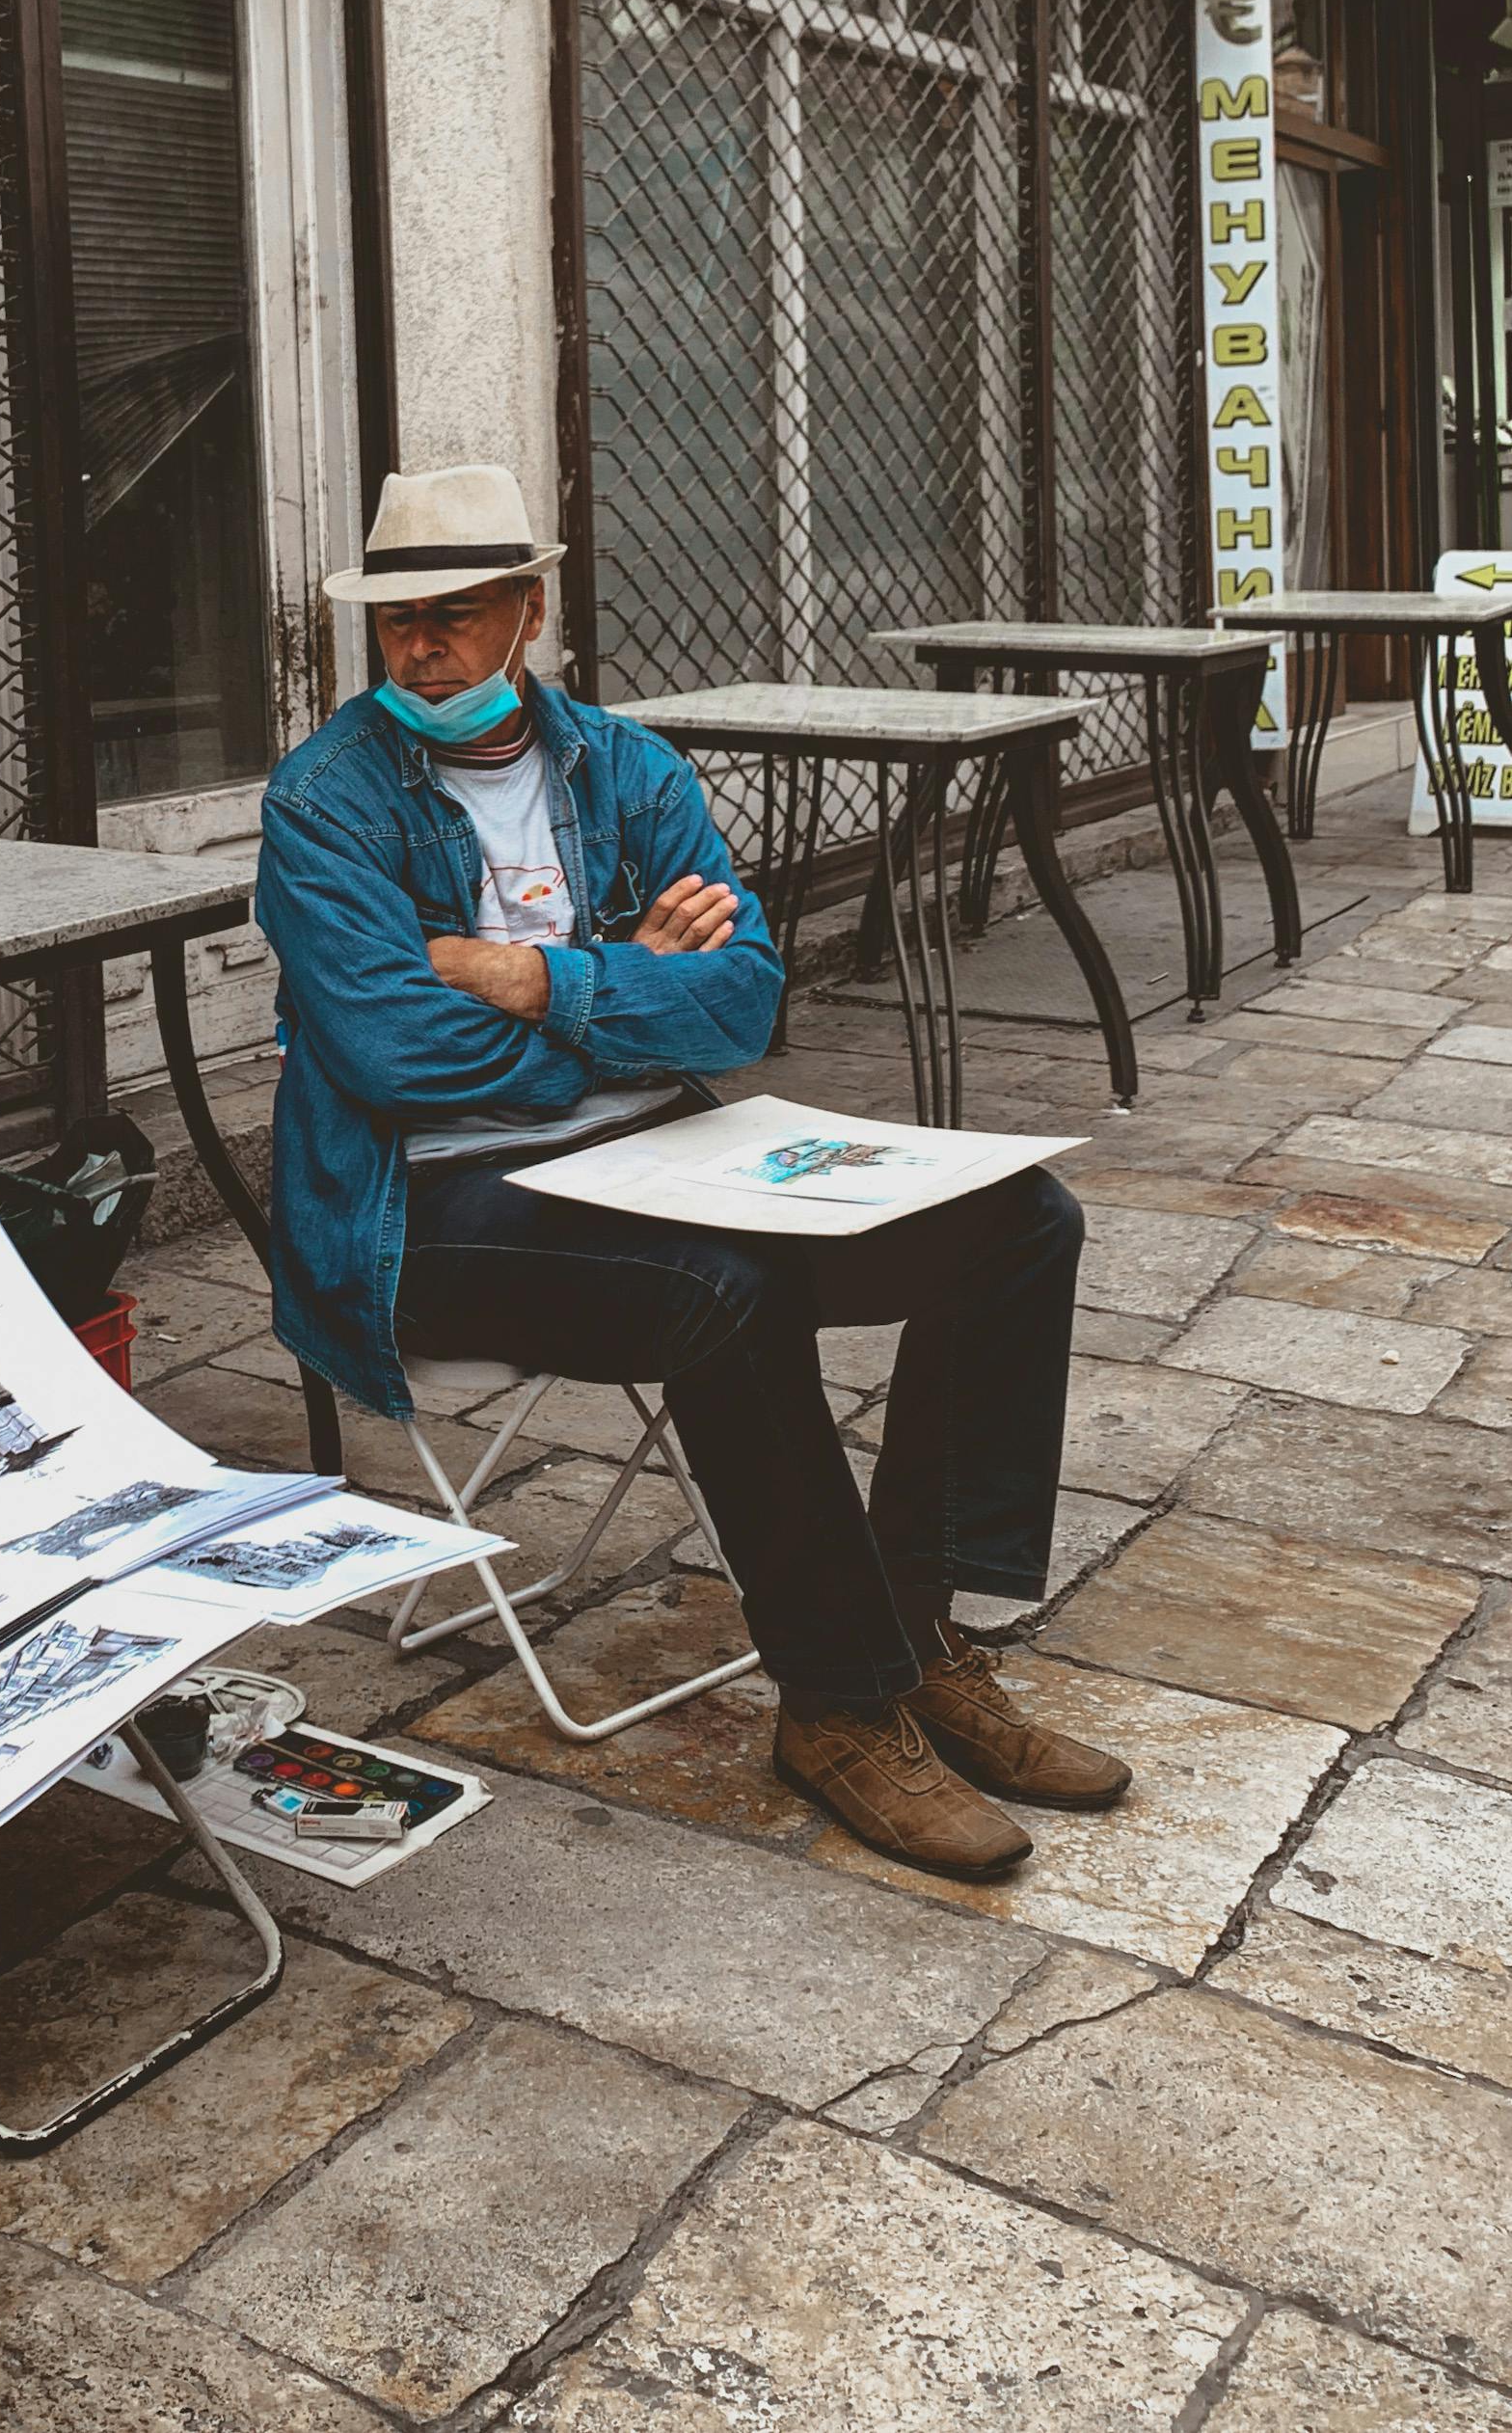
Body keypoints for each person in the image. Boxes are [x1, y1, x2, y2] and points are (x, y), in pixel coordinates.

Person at [253, 461, 1128, 1881]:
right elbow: (393, 1058)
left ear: (528, 612)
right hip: (430, 1208)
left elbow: (741, 1006)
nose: (421, 648)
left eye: (456, 616)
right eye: (398, 620)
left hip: (664, 1151)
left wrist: (528, 976)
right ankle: (843, 1706)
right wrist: (621, 993)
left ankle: (920, 1633)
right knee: (717, 1288)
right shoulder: (326, 802)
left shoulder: (628, 767)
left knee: (1018, 1218)